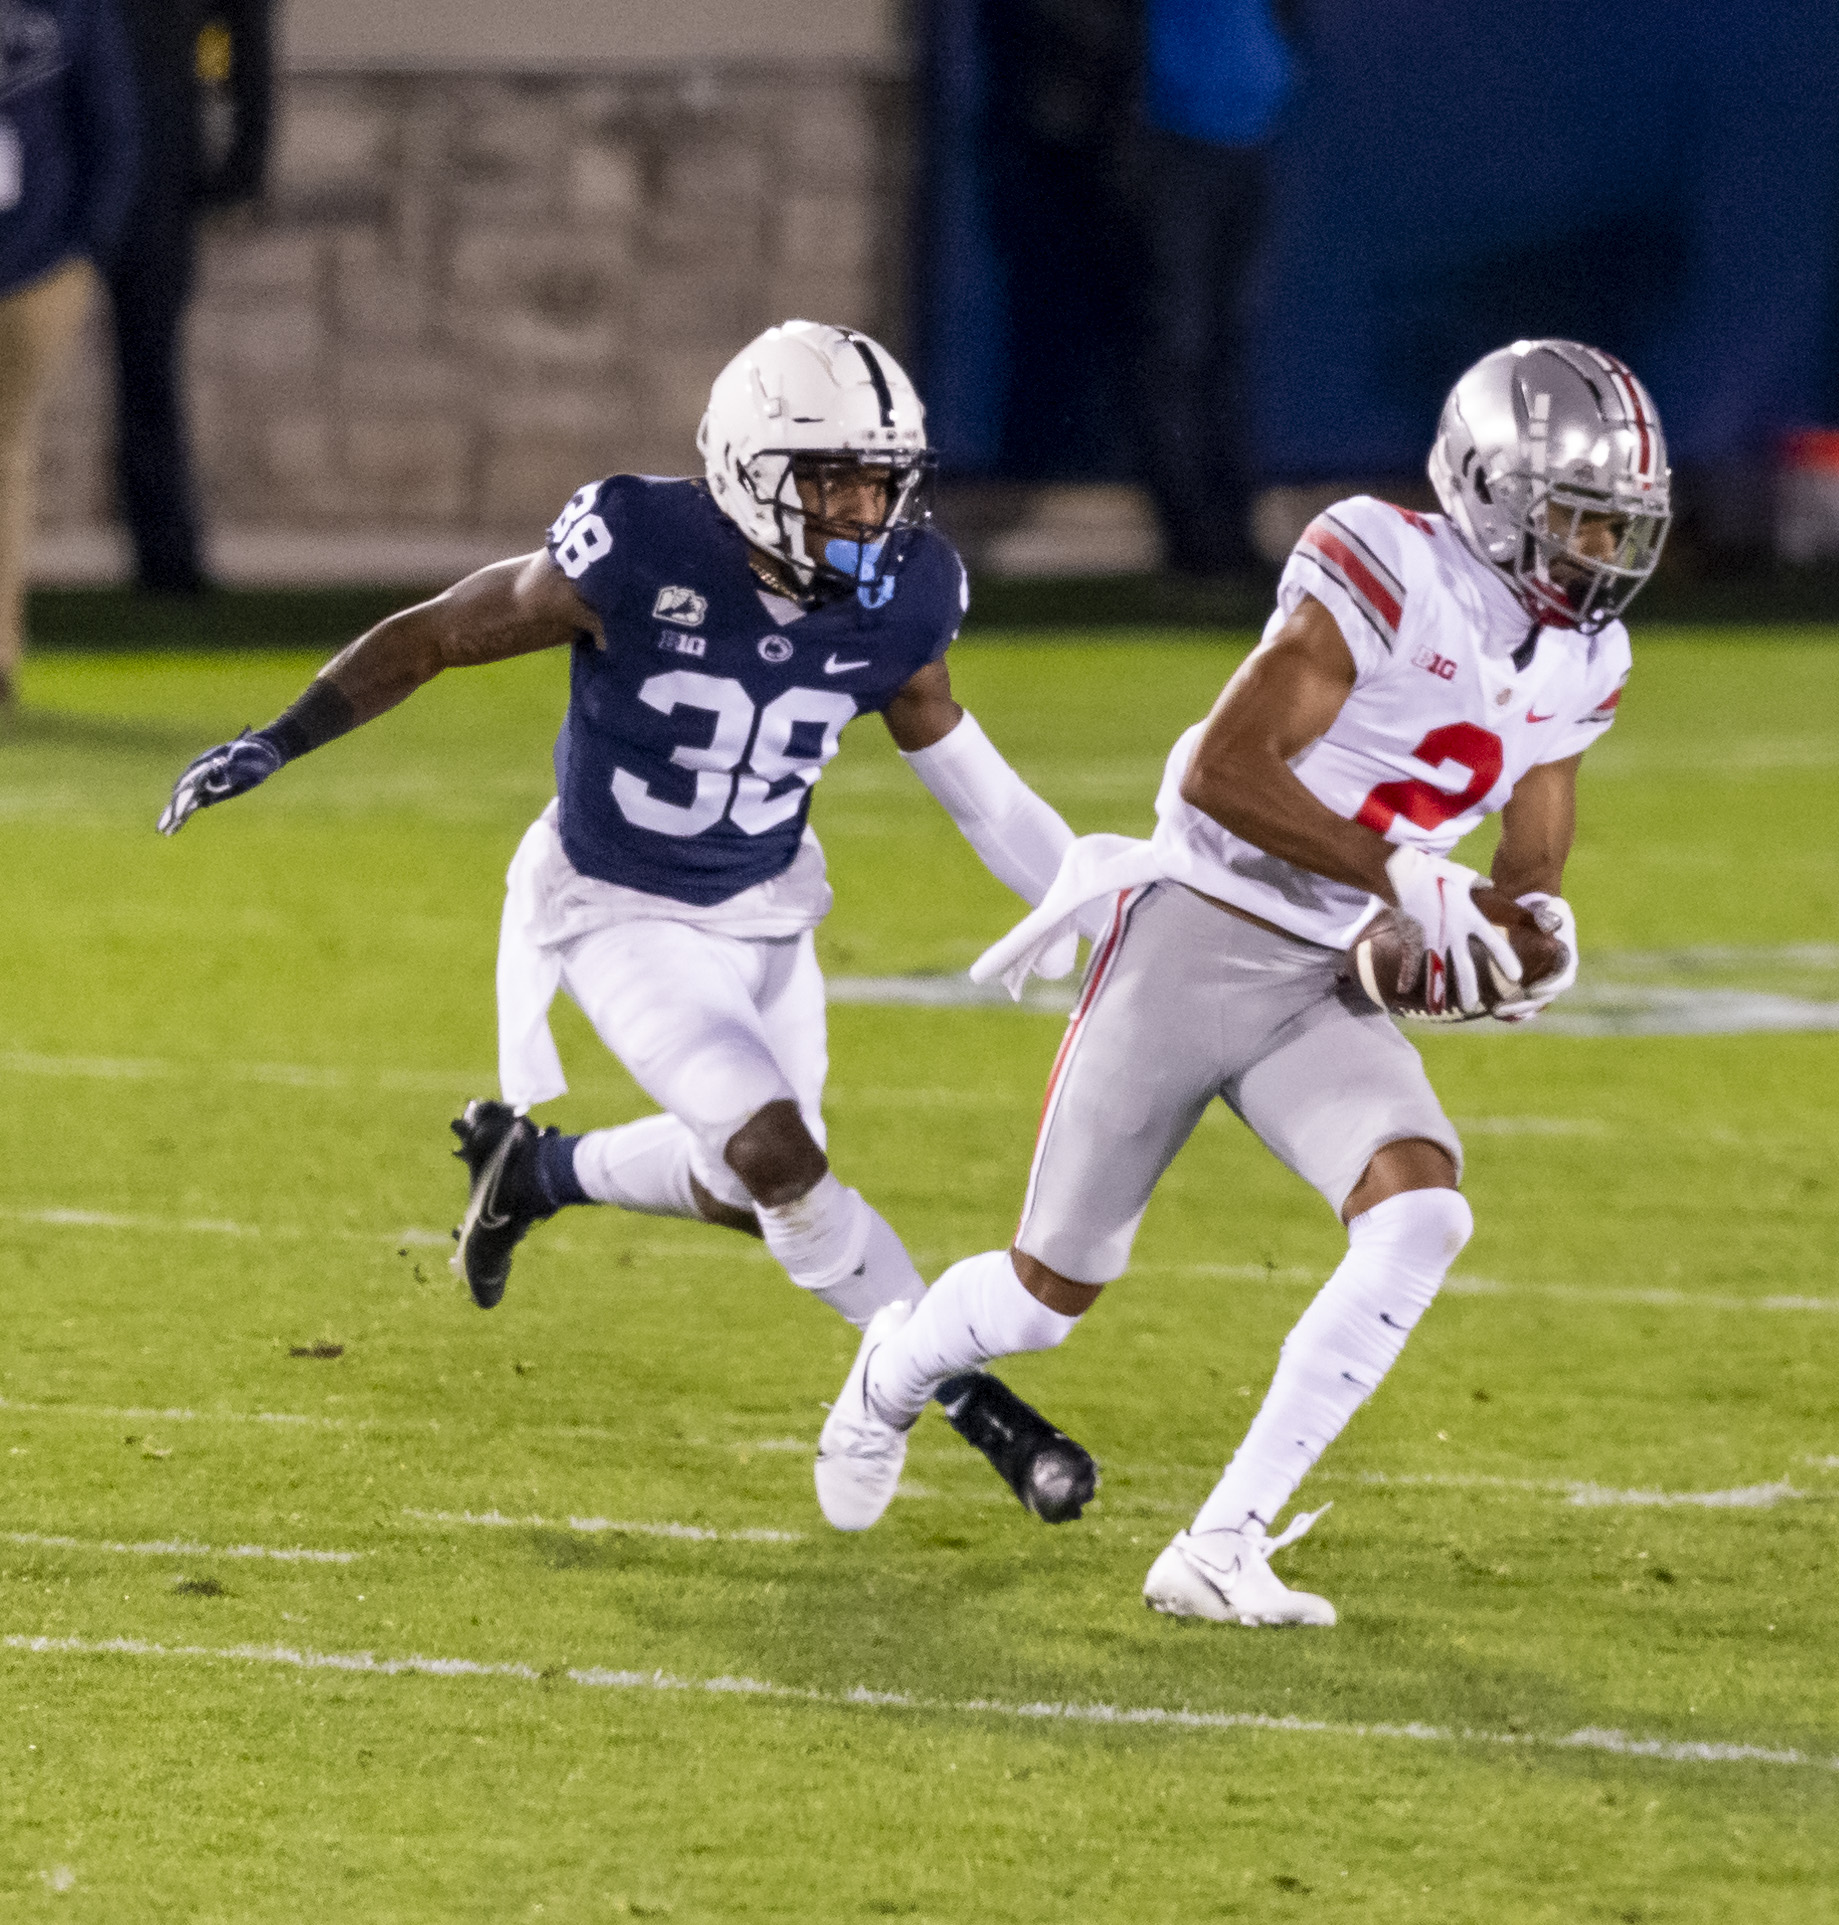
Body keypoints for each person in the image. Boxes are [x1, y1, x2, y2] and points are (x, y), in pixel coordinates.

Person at [155, 321, 1098, 1498]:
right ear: (751, 471)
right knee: (779, 1159)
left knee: (734, 1185)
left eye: (881, 483)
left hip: (766, 909)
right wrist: (280, 736)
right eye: (834, 481)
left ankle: (535, 1171)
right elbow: (443, 631)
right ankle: (964, 1398)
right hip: (616, 906)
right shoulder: (641, 546)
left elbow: (971, 778)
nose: (864, 512)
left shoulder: (909, 594)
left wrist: (1092, 905)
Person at [811, 338, 1665, 1626]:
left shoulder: (1583, 659)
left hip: (1327, 965)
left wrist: (1534, 915)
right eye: (1579, 520)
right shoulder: (1387, 564)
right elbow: (1225, 771)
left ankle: (1220, 1544)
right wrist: (1405, 875)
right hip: (1196, 926)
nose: (1602, 553)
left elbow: (1536, 820)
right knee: (1048, 1296)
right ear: (1491, 493)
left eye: (1620, 526)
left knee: (1422, 1212)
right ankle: (892, 1375)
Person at [0, 0, 139, 713]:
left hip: (37, 260)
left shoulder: (75, 11)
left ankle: (0, 648)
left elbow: (111, 127)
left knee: (7, 449)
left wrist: (85, 251)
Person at [1127, 0, 1295, 582]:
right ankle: (1190, 541)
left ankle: (1233, 534)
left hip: (1250, 144)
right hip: (1173, 144)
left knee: (1229, 346)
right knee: (1179, 345)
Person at [103, 0, 268, 595]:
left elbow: (246, 46)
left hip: (157, 184)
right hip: (64, 186)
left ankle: (166, 554)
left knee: (151, 373)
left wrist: (242, 165)